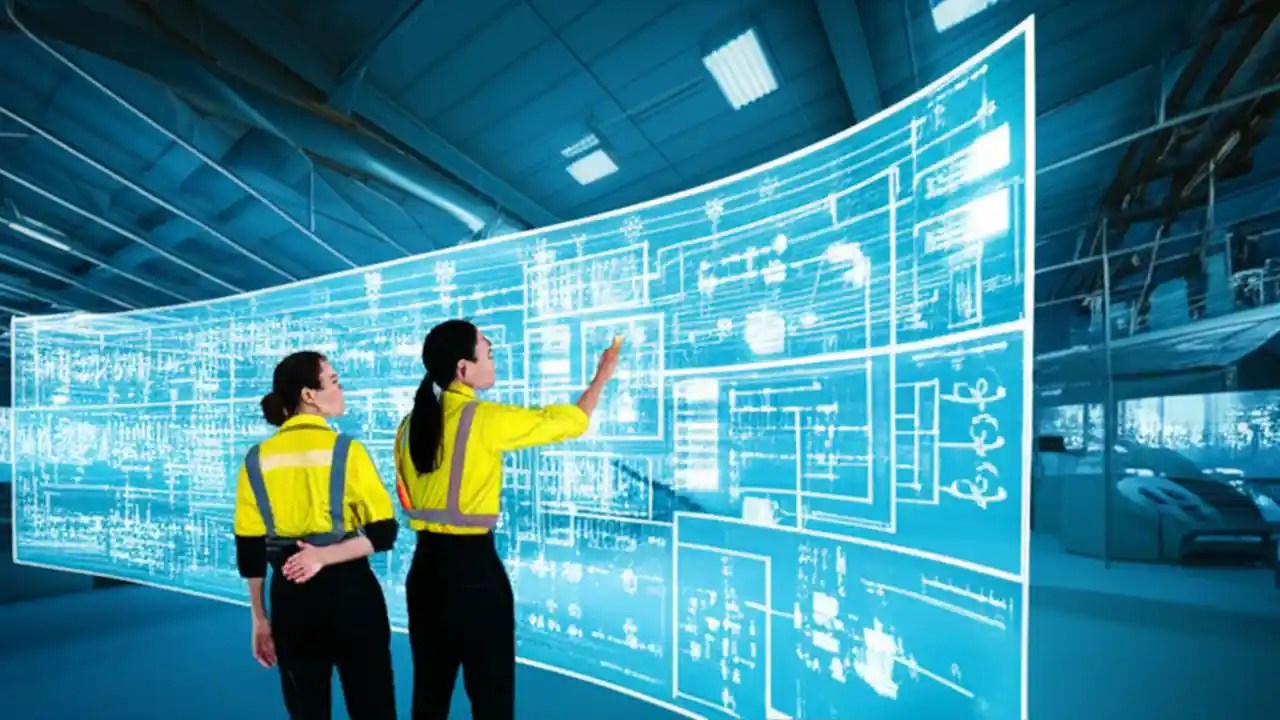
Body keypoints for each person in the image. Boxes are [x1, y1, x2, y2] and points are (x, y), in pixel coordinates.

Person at [395, 319, 621, 720]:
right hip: (474, 573)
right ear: (463, 368)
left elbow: (406, 493)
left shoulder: (408, 425)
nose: (494, 360)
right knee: (492, 697)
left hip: (424, 573)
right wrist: (602, 376)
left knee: (429, 695)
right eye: (489, 352)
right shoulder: (484, 419)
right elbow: (572, 421)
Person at [233, 351, 400, 720]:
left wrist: (260, 619)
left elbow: (250, 549)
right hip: (353, 595)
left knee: (306, 710)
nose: (342, 390)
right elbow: (384, 533)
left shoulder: (256, 459)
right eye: (334, 381)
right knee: (374, 708)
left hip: (291, 600)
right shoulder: (348, 451)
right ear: (309, 395)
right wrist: (323, 556)